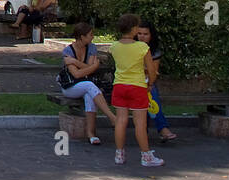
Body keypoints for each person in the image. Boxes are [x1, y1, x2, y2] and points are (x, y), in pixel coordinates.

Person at [110, 13, 164, 167]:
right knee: (140, 123)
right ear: (134, 29)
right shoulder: (142, 47)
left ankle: (119, 154)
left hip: (119, 85)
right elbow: (152, 71)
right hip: (137, 86)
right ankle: (146, 156)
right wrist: (150, 83)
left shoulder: (114, 46)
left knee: (121, 120)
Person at [58, 21, 118, 144]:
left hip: (85, 85)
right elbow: (77, 74)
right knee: (90, 86)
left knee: (89, 95)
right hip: (70, 87)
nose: (93, 37)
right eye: (90, 34)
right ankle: (112, 117)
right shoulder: (67, 51)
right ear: (82, 37)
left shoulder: (91, 47)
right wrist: (92, 67)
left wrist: (75, 62)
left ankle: (91, 134)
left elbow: (88, 71)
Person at [136, 19, 177, 144]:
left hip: (147, 82)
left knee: (150, 92)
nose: (142, 37)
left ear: (151, 35)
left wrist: (147, 73)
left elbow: (154, 72)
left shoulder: (154, 51)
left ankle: (147, 131)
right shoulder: (131, 48)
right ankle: (162, 129)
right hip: (133, 82)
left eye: (145, 34)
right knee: (150, 93)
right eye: (139, 34)